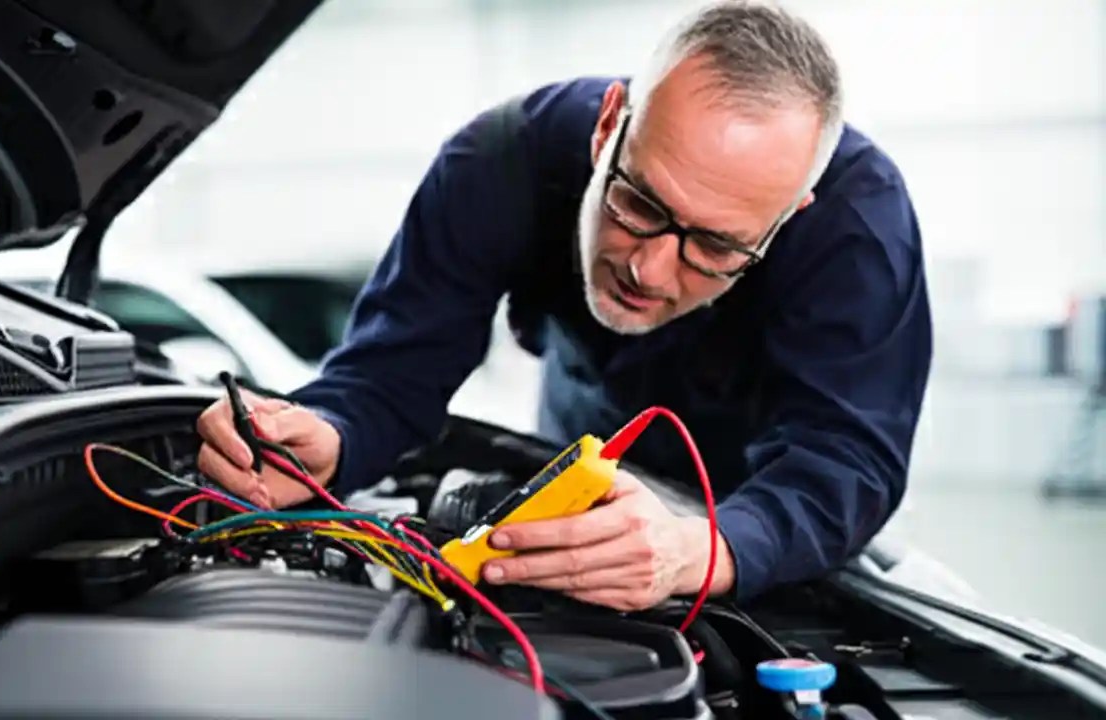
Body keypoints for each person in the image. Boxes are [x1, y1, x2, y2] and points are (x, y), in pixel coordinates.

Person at [196, 0, 932, 610]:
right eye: (638, 203)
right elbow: (388, 376)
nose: (649, 266)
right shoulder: (498, 161)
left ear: (789, 215)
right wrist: (331, 436)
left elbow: (843, 458)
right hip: (578, 455)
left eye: (713, 247)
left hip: (755, 523)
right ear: (609, 123)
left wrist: (698, 548)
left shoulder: (857, 228)